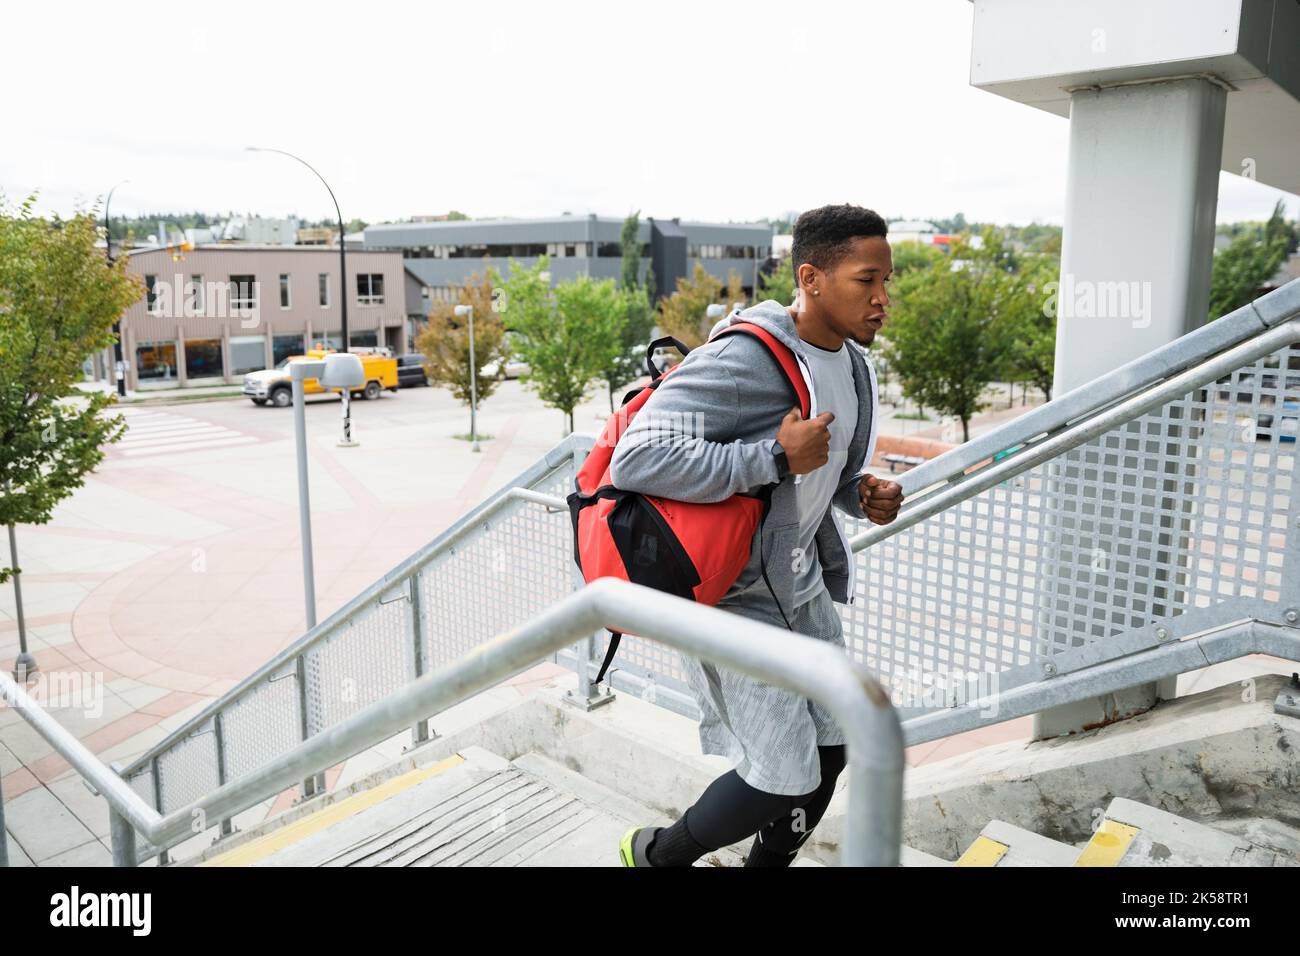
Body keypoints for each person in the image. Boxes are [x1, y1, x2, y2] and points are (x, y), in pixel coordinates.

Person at [610, 203, 904, 867]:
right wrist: (771, 457)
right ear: (811, 278)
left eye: (887, 281)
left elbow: (820, 471)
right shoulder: (746, 359)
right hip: (735, 598)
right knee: (781, 777)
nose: (882, 299)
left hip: (800, 589)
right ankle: (653, 856)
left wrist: (860, 493)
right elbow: (638, 457)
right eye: (866, 280)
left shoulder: (852, 365)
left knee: (834, 743)